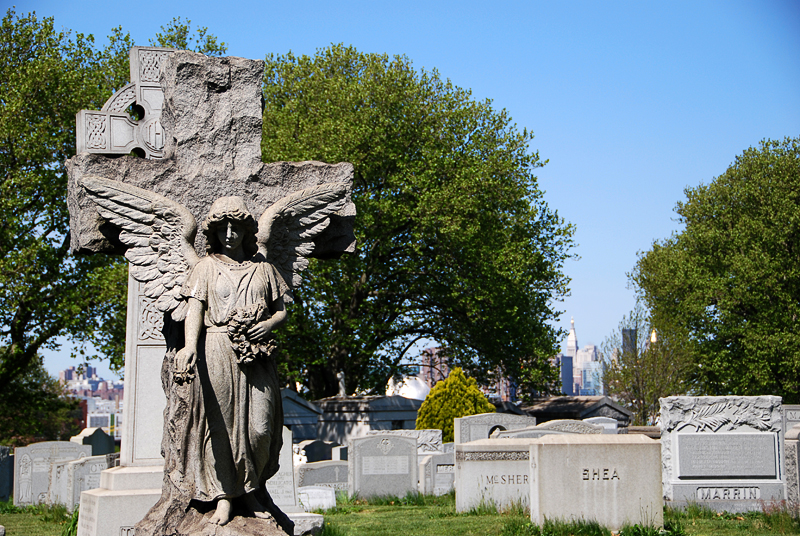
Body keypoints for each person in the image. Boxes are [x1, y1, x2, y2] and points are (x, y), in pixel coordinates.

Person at [173, 196, 289, 526]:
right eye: (222, 227)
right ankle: (224, 496)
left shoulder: (263, 269)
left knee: (260, 429)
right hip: (217, 347)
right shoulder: (205, 267)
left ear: (246, 230)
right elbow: (195, 309)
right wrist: (189, 347)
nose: (228, 233)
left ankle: (251, 489)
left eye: (235, 227)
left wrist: (268, 325)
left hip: (257, 353)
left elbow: (281, 310)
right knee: (220, 427)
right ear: (212, 231)